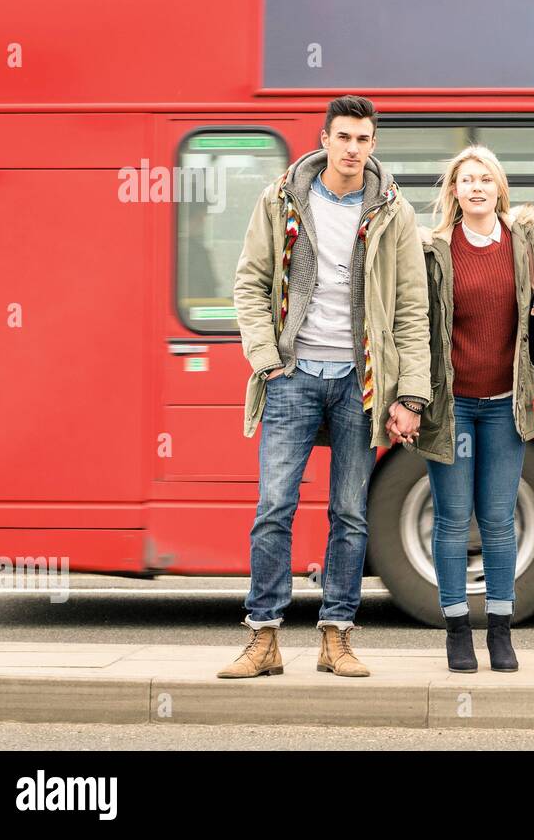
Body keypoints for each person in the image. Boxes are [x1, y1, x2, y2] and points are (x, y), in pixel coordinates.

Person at [221, 95, 431, 679]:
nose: (353, 149)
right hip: (294, 375)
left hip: (359, 384)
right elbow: (250, 281)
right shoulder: (282, 199)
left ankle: (336, 637)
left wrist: (409, 393)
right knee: (273, 507)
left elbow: (412, 308)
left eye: (363, 139)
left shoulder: (395, 212)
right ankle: (262, 638)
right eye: (343, 137)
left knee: (350, 513)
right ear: (324, 139)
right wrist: (267, 360)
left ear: (373, 144)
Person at [411, 145, 534, 673]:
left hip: (504, 407)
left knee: (497, 520)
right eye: (466, 180)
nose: (476, 188)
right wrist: (405, 398)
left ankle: (499, 631)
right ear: (454, 191)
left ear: (500, 190)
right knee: (451, 521)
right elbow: (413, 327)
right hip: (451, 409)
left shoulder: (524, 244)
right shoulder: (435, 250)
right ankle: (455, 631)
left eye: (485, 180)